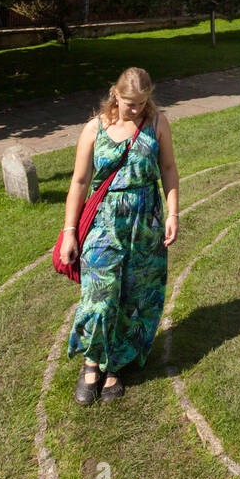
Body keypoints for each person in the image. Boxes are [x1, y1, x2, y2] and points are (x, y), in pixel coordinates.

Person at [59, 67, 179, 404]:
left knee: (135, 295)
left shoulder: (157, 124)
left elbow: (168, 169)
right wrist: (70, 232)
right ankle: (91, 363)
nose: (136, 109)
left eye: (142, 102)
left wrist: (173, 213)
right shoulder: (94, 128)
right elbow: (79, 183)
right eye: (129, 103)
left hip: (146, 223)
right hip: (104, 222)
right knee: (100, 293)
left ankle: (115, 365)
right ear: (115, 95)